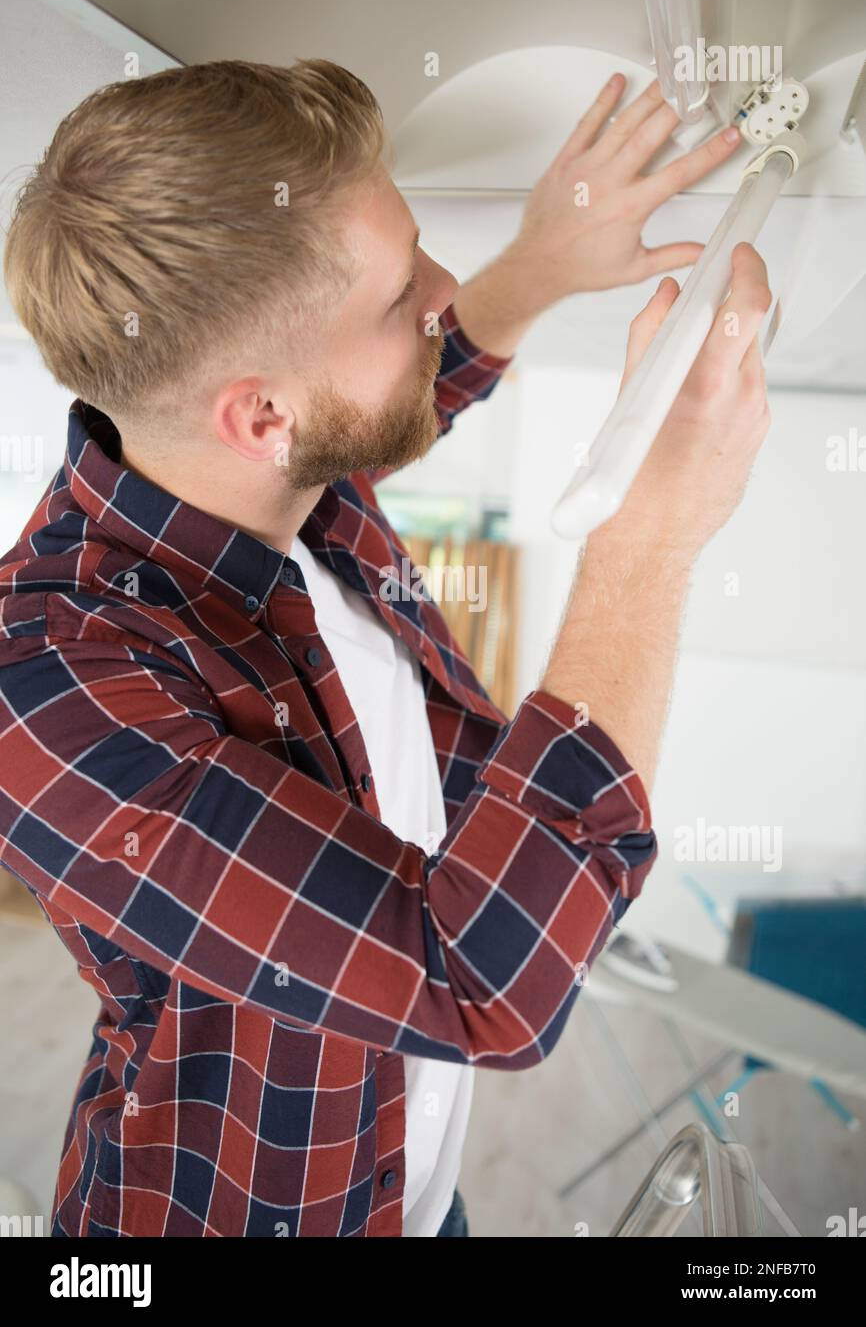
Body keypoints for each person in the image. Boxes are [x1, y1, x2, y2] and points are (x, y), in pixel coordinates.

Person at [0, 60, 770, 1237]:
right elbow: (481, 978)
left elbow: (386, 398)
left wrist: (538, 267)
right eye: (403, 286)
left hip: (401, 1182)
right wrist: (649, 539)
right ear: (261, 416)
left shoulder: (254, 472)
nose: (444, 289)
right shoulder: (50, 685)